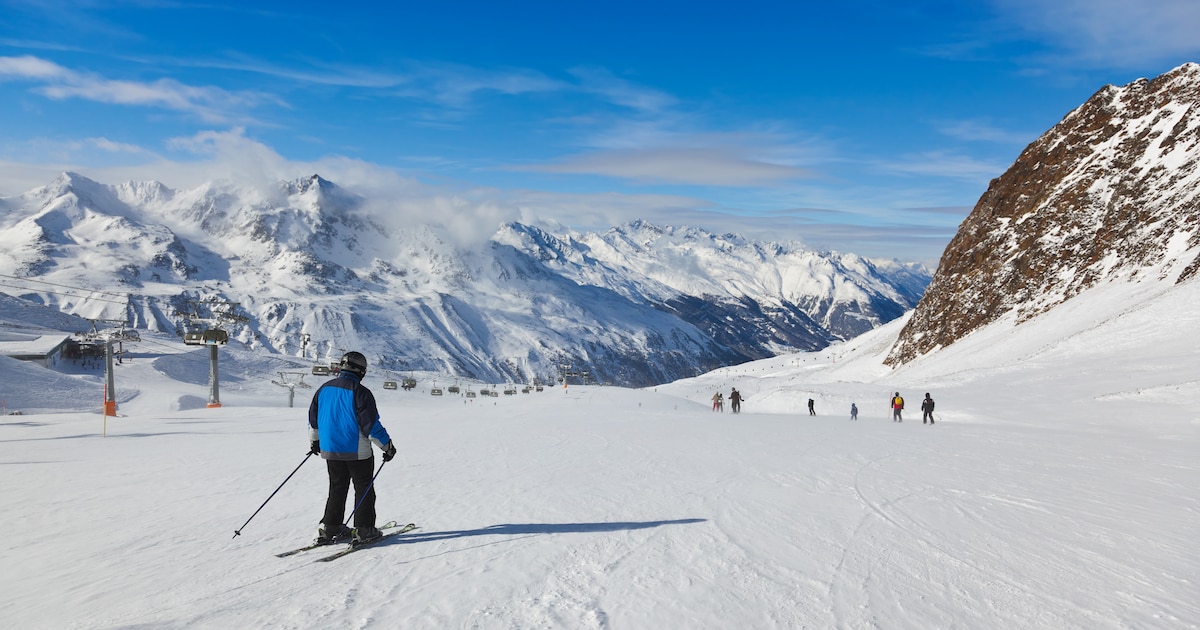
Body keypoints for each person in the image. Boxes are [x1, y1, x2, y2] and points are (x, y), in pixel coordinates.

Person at [308, 351, 397, 544]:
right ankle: (364, 529)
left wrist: (315, 441)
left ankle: (330, 527)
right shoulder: (360, 392)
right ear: (361, 370)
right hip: (357, 452)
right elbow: (371, 426)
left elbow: (313, 420)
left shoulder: (323, 389)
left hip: (330, 450)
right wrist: (387, 446)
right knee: (364, 489)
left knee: (337, 488)